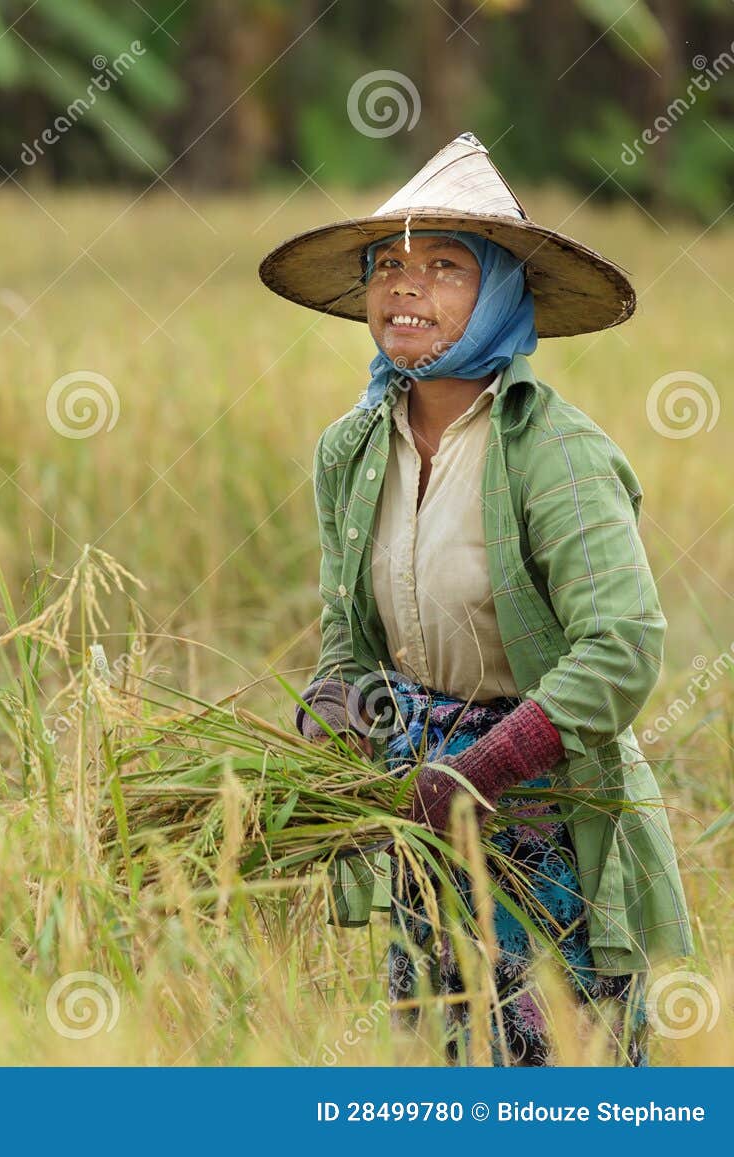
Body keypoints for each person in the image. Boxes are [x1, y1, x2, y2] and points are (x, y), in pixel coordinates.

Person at [259, 132, 693, 1065]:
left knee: (557, 1065)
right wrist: (332, 730)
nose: (403, 286)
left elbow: (621, 648)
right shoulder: (351, 450)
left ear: (499, 296)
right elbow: (350, 642)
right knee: (441, 1057)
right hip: (420, 811)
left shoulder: (555, 453)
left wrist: (481, 770)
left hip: (540, 810)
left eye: (443, 267)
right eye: (388, 266)